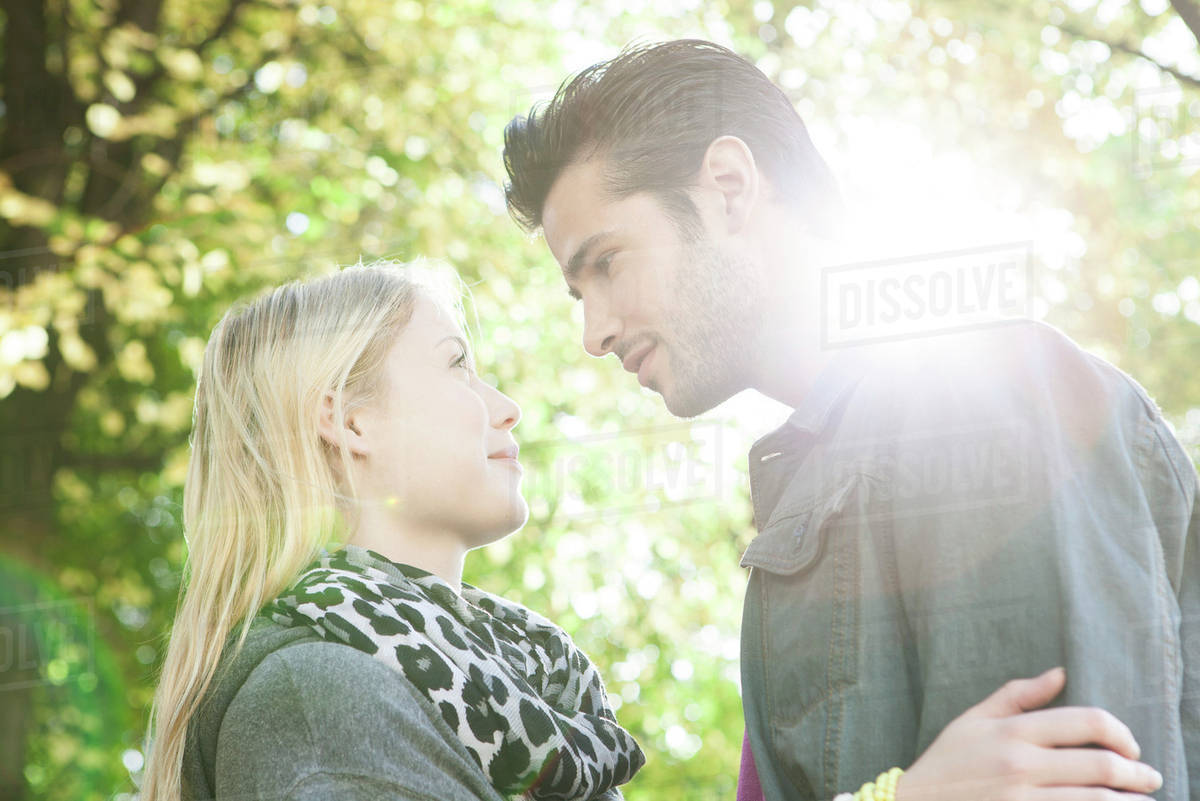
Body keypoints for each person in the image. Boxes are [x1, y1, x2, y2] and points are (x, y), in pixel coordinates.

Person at [502, 39, 1199, 801]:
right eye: (578, 295)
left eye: (605, 263)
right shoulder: (812, 485)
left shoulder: (975, 401)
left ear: (728, 190)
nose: (592, 332)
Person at [139, 261, 644, 801]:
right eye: (457, 365)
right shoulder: (322, 697)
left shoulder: (518, 685)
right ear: (351, 421)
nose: (508, 409)